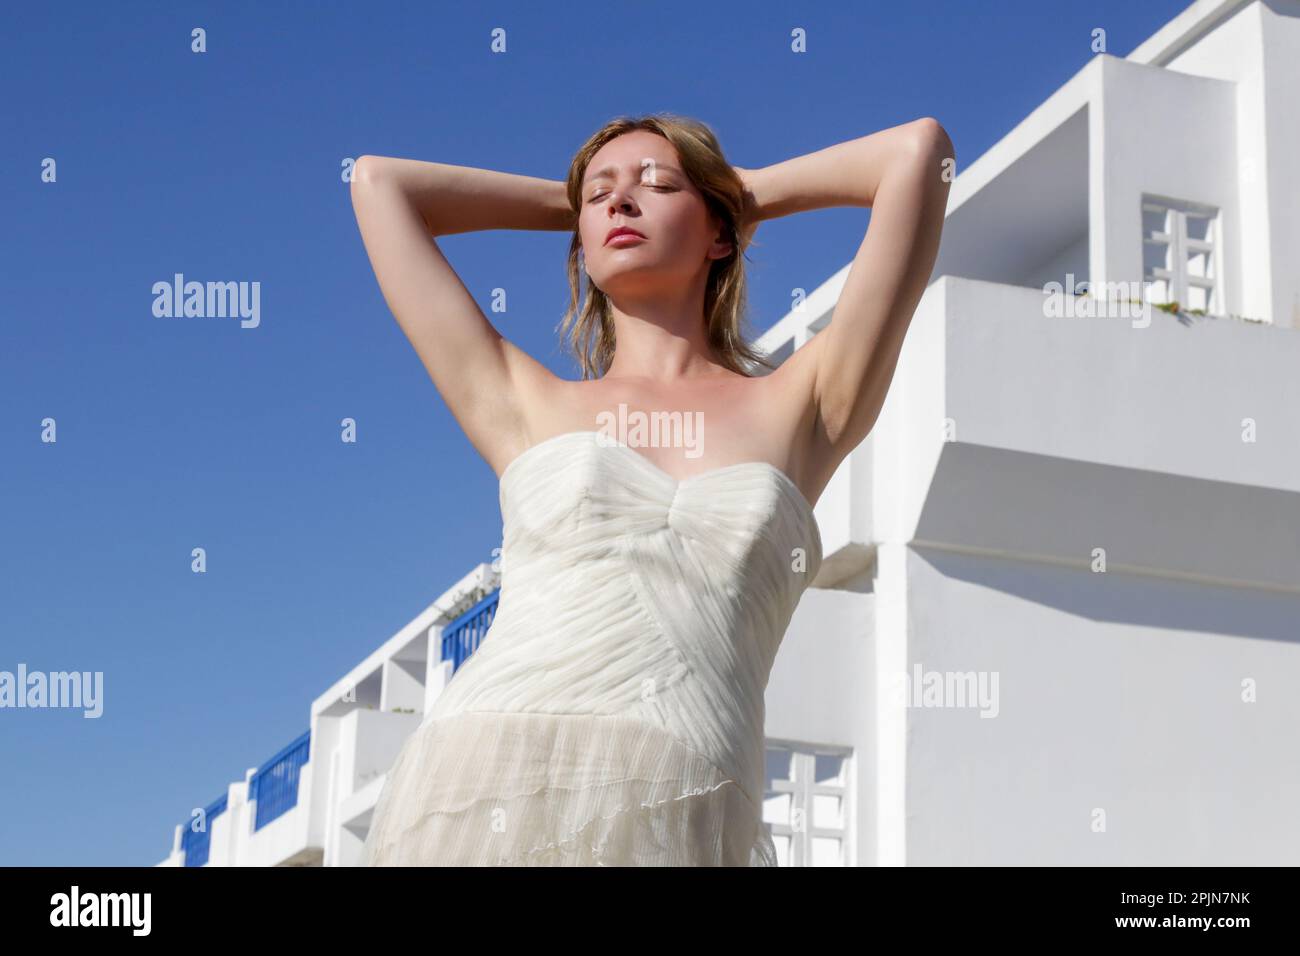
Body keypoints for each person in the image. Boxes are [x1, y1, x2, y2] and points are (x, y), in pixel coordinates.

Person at [350, 112, 952, 865]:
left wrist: (739, 192)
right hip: (484, 780)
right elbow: (380, 184)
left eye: (659, 185)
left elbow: (918, 155)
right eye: (598, 196)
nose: (620, 202)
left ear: (721, 234)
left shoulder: (804, 404)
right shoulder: (526, 402)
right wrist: (576, 201)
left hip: (688, 808)